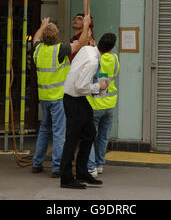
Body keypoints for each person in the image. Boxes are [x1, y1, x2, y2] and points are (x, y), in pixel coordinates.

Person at [32, 15, 91, 177]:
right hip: (58, 97)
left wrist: (43, 25)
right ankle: (57, 167)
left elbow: (35, 38)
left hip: (43, 97)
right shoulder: (60, 49)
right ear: (57, 37)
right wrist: (85, 25)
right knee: (59, 132)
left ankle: (37, 163)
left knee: (44, 129)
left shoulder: (37, 49)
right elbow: (82, 43)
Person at [60, 34, 114, 189]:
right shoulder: (93, 61)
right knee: (72, 138)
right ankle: (66, 178)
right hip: (74, 98)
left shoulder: (86, 49)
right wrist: (99, 87)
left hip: (76, 98)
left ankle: (82, 171)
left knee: (90, 132)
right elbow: (81, 86)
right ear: (110, 49)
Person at [87, 33, 119, 177]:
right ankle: (100, 164)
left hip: (95, 104)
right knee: (103, 137)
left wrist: (92, 47)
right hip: (110, 104)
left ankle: (91, 166)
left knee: (89, 137)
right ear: (112, 47)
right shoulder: (114, 59)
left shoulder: (94, 58)